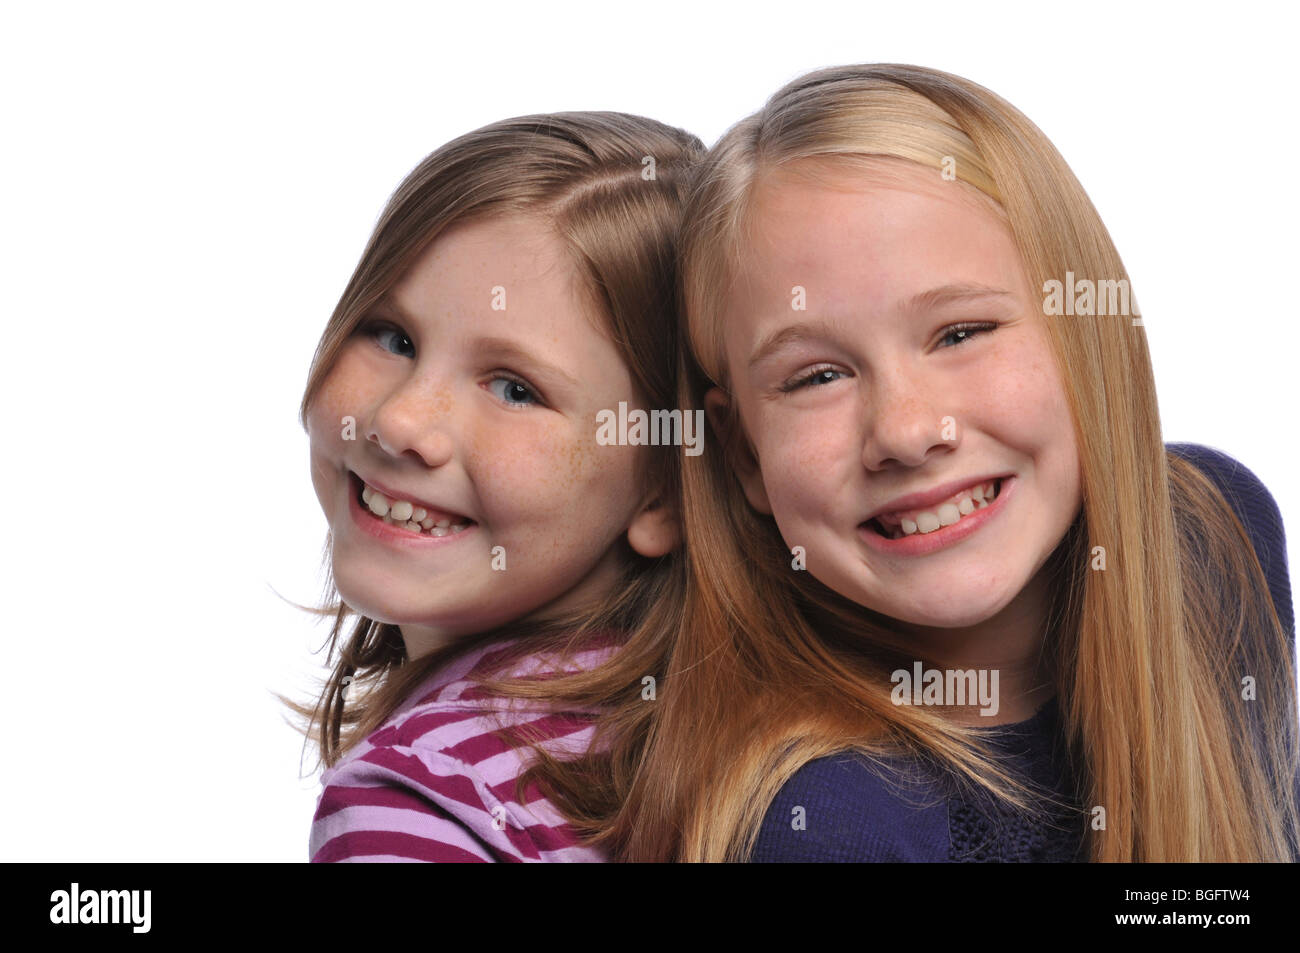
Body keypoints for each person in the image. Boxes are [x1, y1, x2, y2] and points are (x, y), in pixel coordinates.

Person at [599, 64, 1298, 861]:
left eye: (961, 333)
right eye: (818, 376)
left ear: (1085, 334)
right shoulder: (826, 823)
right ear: (743, 455)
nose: (905, 429)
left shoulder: (1211, 536)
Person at [277, 112, 703, 861]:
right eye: (393, 337)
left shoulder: (417, 806)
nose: (401, 419)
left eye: (513, 388)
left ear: (664, 489)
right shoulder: (715, 742)